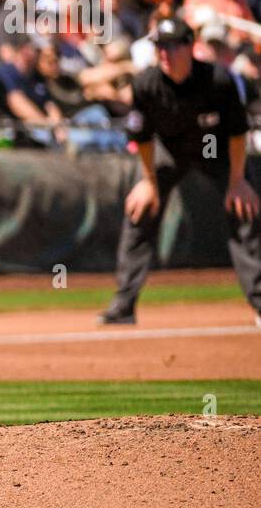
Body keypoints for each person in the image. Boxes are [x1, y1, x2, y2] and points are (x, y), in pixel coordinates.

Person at [99, 18, 261, 327]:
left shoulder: (217, 81)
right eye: (159, 46)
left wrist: (238, 181)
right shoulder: (147, 83)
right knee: (140, 211)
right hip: (169, 151)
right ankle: (123, 306)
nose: (164, 53)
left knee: (244, 209)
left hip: (214, 148)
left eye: (171, 46)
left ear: (190, 47)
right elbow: (142, 138)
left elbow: (238, 134)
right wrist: (148, 183)